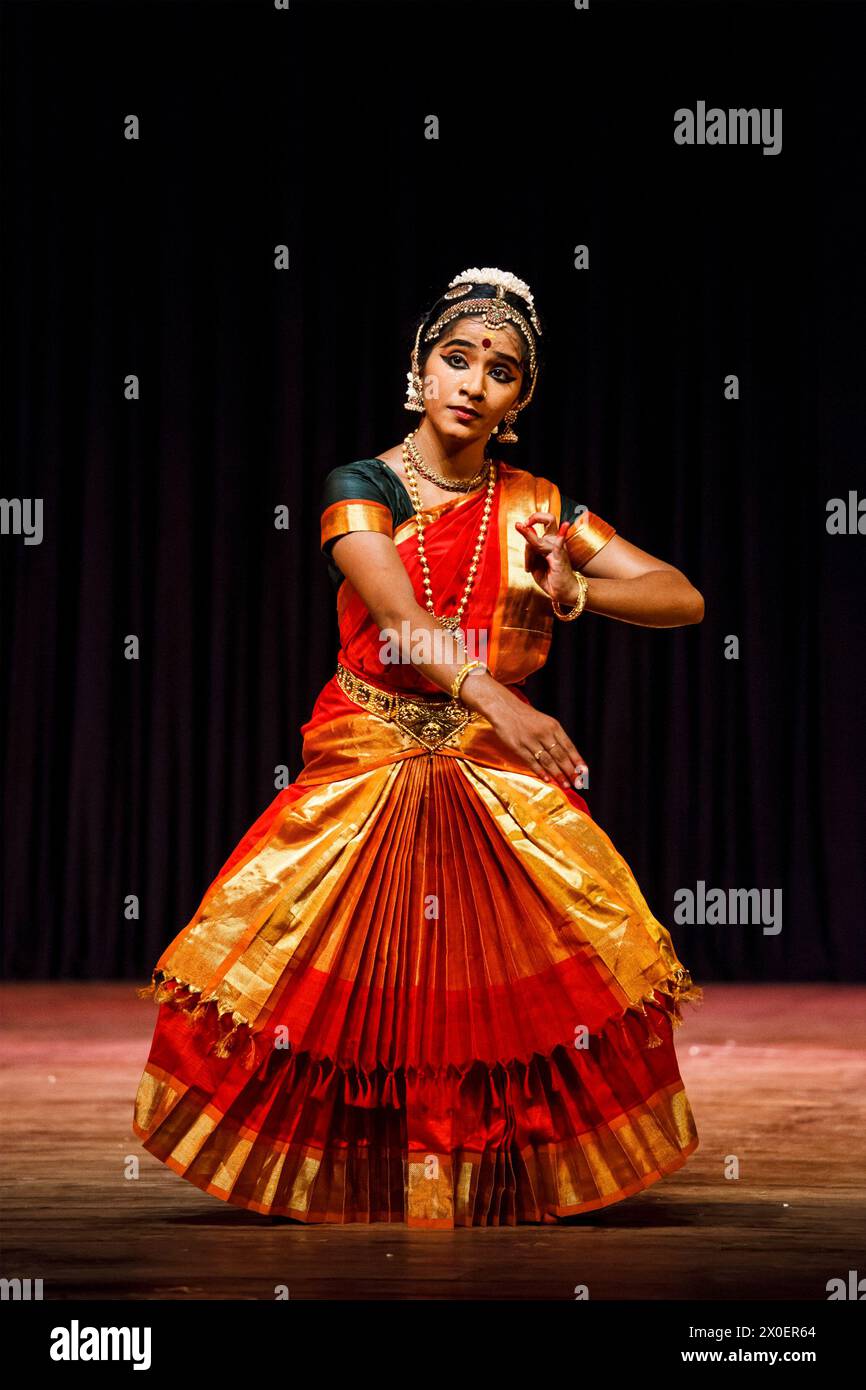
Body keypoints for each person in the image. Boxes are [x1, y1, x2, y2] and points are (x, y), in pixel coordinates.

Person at [133, 266, 705, 1229]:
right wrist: (500, 702)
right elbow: (397, 619)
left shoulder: (538, 507)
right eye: (457, 358)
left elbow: (681, 597)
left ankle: (486, 1172)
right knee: (339, 974)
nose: (475, 382)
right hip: (373, 751)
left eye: (502, 370)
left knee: (516, 977)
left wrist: (575, 591)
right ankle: (349, 1165)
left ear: (521, 399)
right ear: (419, 369)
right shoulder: (359, 488)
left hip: (484, 759)